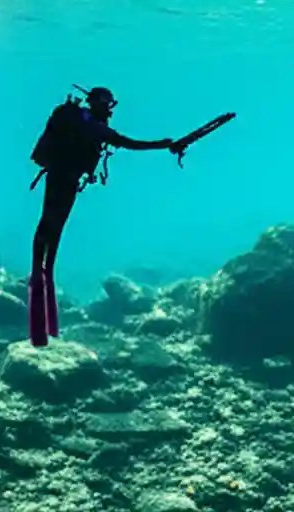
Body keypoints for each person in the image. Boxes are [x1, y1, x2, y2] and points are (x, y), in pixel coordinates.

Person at [27, 86, 182, 347]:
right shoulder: (90, 124)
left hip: (59, 175)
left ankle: (41, 268)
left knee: (48, 223)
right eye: (108, 103)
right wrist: (162, 144)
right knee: (54, 224)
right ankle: (45, 268)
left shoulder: (79, 121)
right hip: (65, 177)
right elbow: (125, 142)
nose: (110, 109)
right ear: (99, 102)